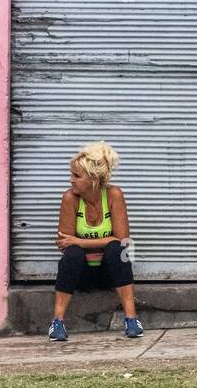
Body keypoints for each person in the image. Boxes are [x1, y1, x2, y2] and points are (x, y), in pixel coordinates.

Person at [48, 141, 143, 341]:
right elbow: (64, 243)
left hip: (111, 273)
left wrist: (81, 242)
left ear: (93, 178)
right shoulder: (70, 199)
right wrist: (90, 243)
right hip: (82, 274)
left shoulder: (113, 195)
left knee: (117, 250)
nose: (71, 180)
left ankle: (132, 319)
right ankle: (57, 322)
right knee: (72, 254)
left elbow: (123, 240)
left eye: (76, 176)